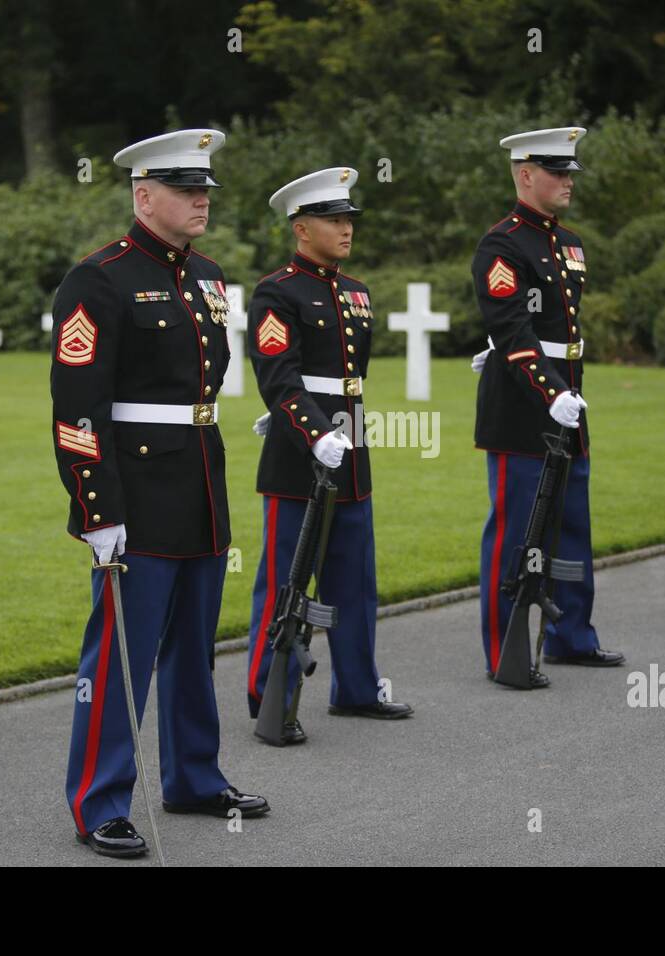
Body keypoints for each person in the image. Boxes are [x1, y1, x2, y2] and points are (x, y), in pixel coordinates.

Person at [51, 128, 268, 858]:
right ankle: (100, 801)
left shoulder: (207, 274)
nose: (201, 199)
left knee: (193, 651)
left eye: (205, 187)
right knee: (120, 655)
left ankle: (194, 777)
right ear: (144, 196)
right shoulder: (99, 280)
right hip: (137, 495)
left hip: (200, 481)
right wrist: (97, 510)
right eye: (185, 189)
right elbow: (78, 409)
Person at [245, 167, 413, 745]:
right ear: (301, 227)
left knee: (354, 582)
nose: (345, 229)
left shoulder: (356, 291)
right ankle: (271, 694)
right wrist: (313, 432)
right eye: (333, 220)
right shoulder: (277, 292)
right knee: (285, 584)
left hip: (352, 454)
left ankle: (358, 689)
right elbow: (279, 376)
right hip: (300, 458)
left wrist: (343, 434)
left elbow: (351, 380)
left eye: (348, 220)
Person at [470, 127, 625, 688]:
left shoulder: (570, 243)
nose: (568, 181)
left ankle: (572, 636)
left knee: (572, 528)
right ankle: (502, 650)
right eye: (557, 172)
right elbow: (511, 329)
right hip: (523, 409)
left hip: (569, 401)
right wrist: (551, 390)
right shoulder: (502, 245)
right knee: (516, 531)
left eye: (570, 172)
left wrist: (569, 394)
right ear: (525, 174)